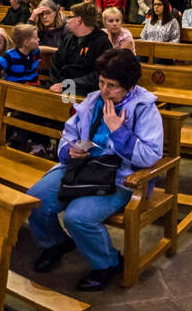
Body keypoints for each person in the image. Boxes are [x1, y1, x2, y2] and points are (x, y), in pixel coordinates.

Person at [21, 51, 164, 292]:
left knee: (78, 218)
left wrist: (119, 131)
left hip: (120, 176)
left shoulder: (144, 109)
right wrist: (69, 150)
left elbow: (150, 156)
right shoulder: (92, 100)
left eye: (112, 86)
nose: (104, 90)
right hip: (81, 166)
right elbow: (70, 131)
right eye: (101, 82)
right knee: (35, 200)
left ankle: (107, 263)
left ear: (130, 86)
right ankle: (55, 244)